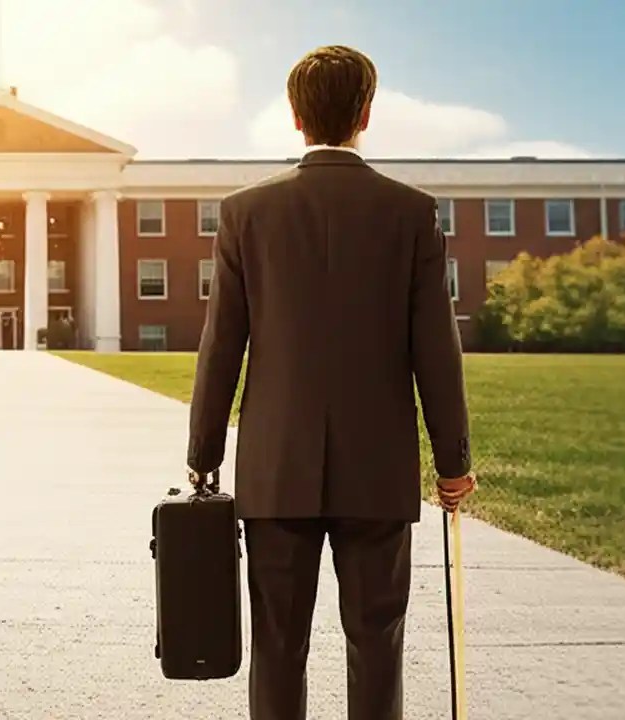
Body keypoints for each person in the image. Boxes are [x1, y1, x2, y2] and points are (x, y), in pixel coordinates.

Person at [186, 45, 478, 720]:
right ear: (367, 113)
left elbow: (219, 349)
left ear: (294, 117)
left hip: (275, 470)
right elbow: (437, 351)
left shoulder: (244, 215)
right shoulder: (411, 214)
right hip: (377, 472)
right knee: (377, 643)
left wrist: (204, 456)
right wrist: (454, 463)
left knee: (277, 645)